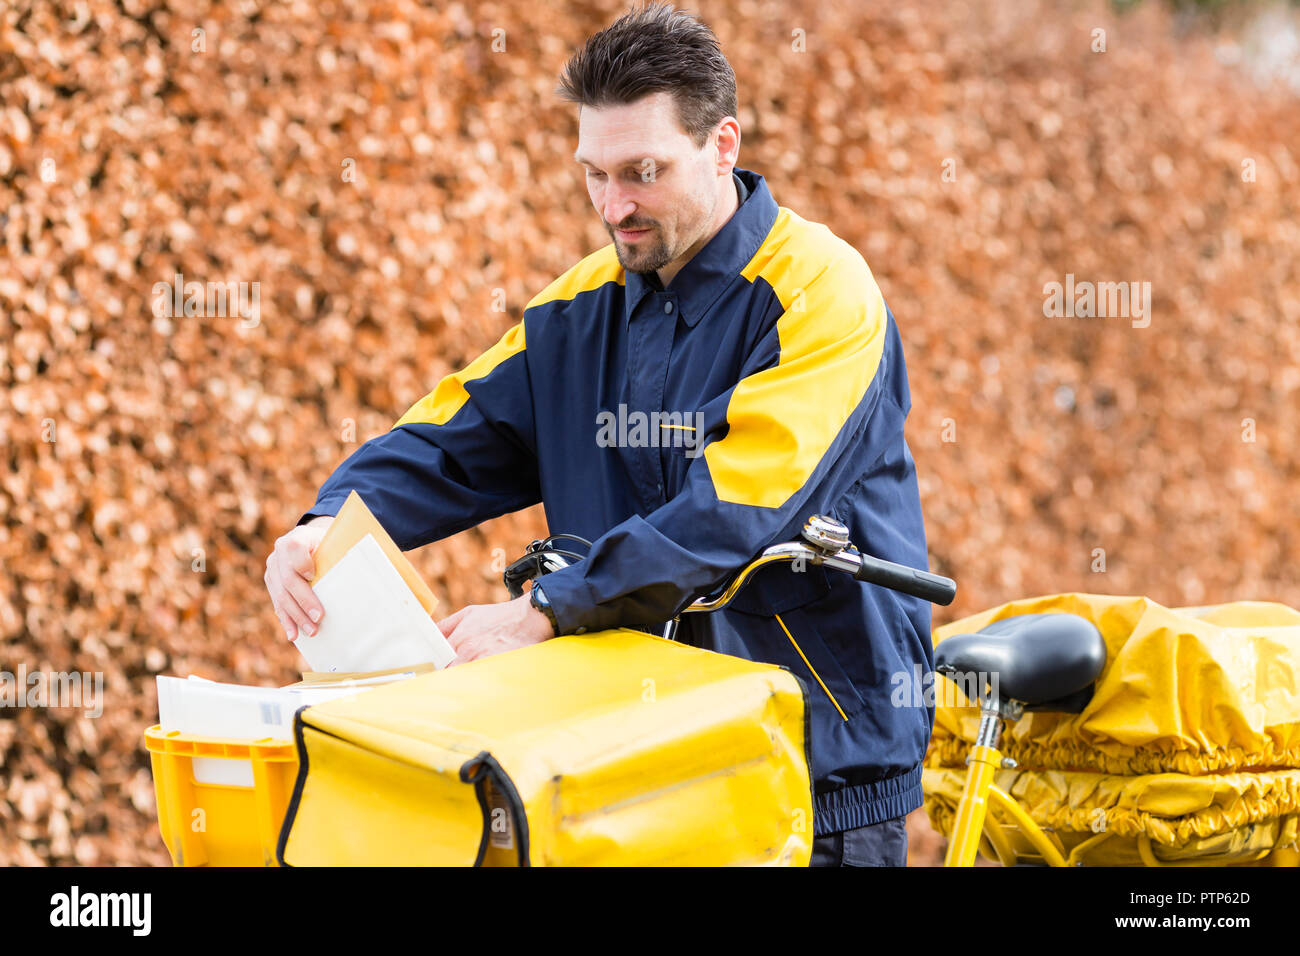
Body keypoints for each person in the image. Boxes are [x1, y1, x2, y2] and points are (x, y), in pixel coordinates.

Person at [264, 1, 934, 867]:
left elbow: (735, 508)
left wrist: (546, 608)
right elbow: (452, 435)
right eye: (594, 175)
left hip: (814, 761)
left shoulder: (823, 292)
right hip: (631, 760)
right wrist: (332, 522)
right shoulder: (580, 305)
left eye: (643, 172)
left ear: (722, 146)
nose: (615, 207)